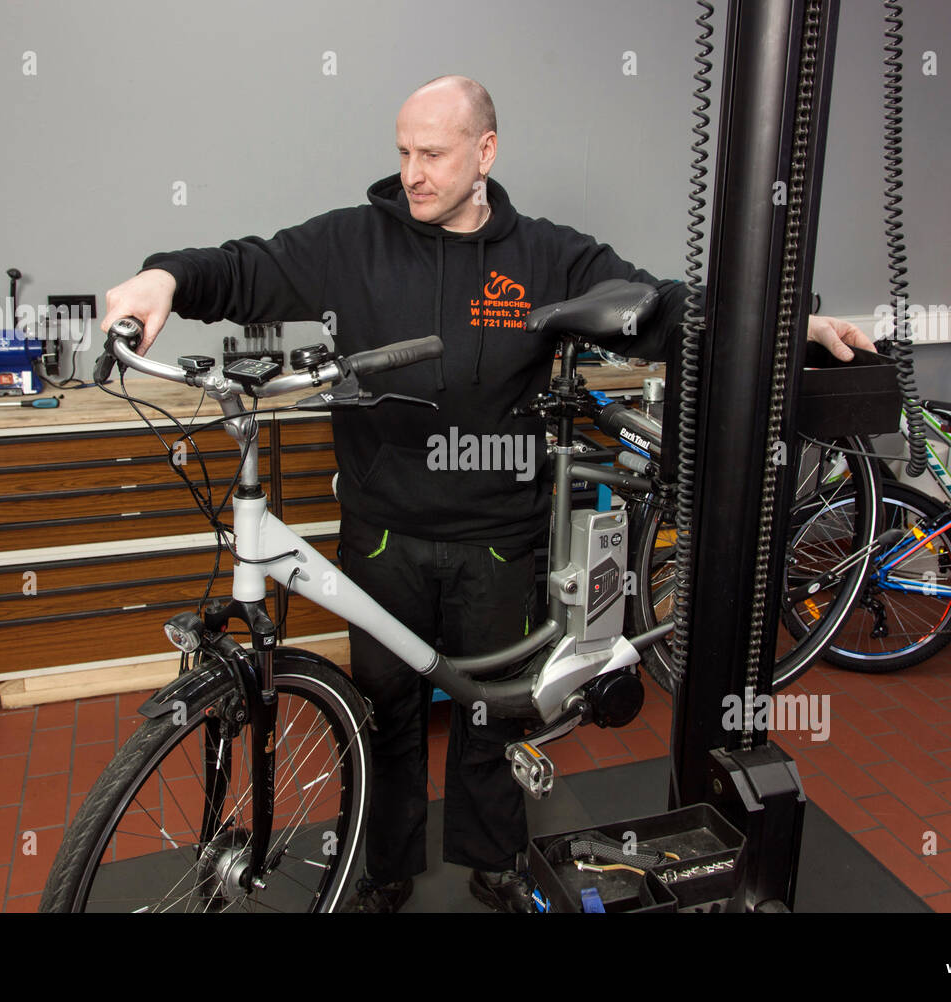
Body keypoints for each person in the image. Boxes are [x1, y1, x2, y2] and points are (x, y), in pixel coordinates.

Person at [102, 75, 873, 913]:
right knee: (381, 712)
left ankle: (493, 858)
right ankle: (383, 864)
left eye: (432, 154)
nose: (413, 173)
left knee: (491, 719)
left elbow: (659, 308)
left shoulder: (548, 258)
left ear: (486, 152)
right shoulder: (351, 244)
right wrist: (166, 278)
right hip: (384, 535)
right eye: (403, 153)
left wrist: (781, 322)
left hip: (500, 536)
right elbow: (245, 269)